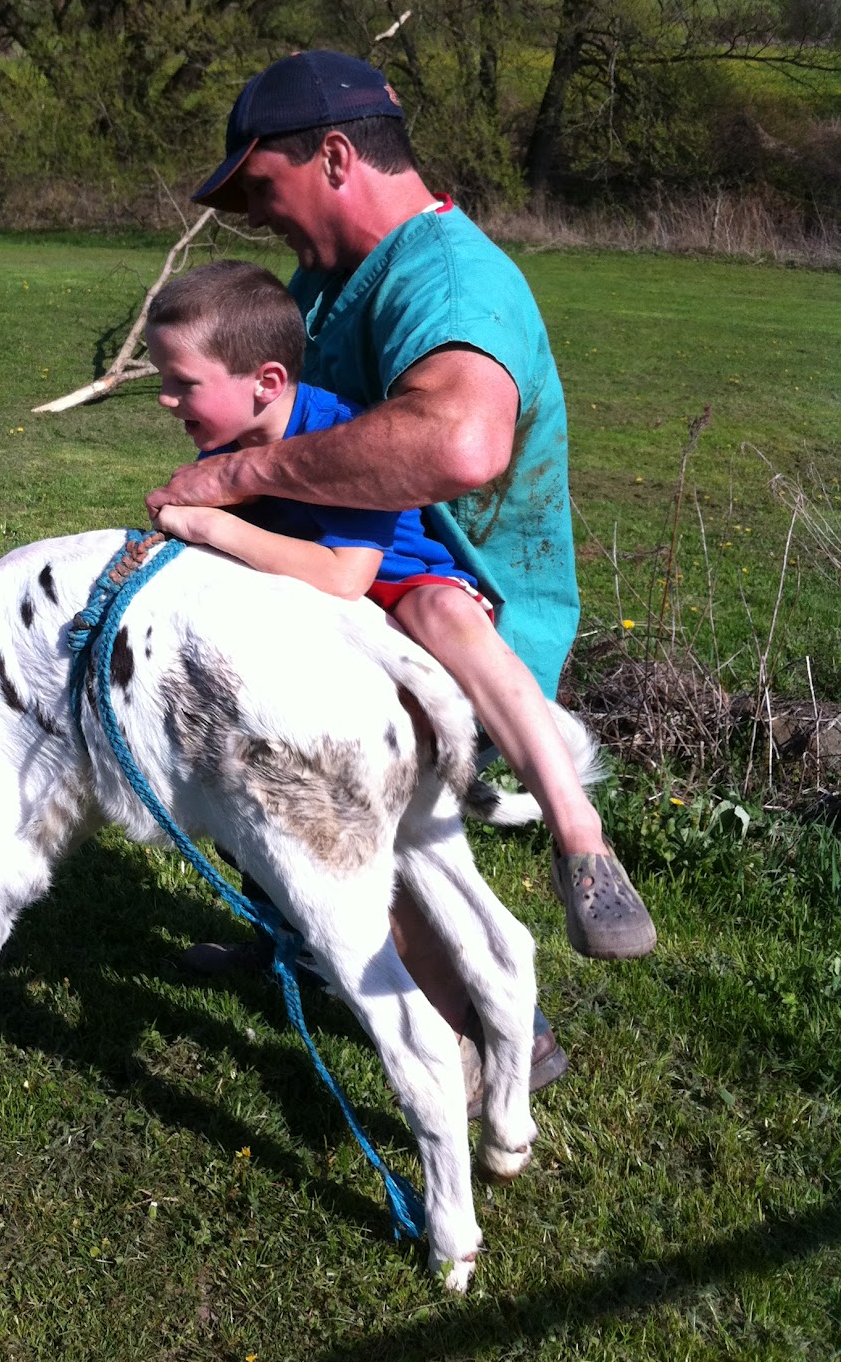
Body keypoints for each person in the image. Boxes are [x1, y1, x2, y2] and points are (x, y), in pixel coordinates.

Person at [144, 49, 655, 1074]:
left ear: (334, 157)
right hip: (349, 583)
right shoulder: (328, 281)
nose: (257, 216)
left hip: (450, 611)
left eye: (263, 186)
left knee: (340, 798)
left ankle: (492, 1031)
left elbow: (458, 443)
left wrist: (238, 480)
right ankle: (297, 932)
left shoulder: (446, 278)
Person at [145, 258, 651, 967]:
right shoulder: (224, 452)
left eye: (182, 383)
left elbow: (345, 575)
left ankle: (579, 837)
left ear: (266, 382)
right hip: (310, 611)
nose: (165, 399)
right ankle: (293, 939)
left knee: (443, 611)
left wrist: (210, 525)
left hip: (399, 588)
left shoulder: (341, 432)